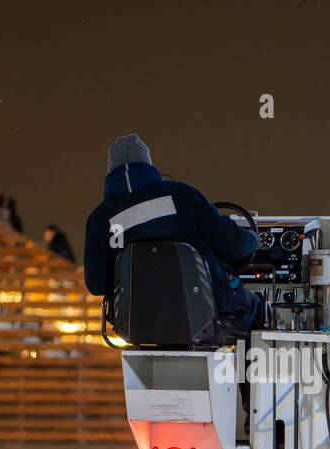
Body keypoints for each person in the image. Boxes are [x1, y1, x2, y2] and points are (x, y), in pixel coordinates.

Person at [84, 134, 261, 329]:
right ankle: (254, 359)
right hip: (205, 316)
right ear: (148, 164)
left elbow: (97, 284)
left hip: (135, 324)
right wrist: (254, 239)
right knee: (257, 307)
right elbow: (234, 245)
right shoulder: (182, 196)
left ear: (109, 171)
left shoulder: (99, 220)